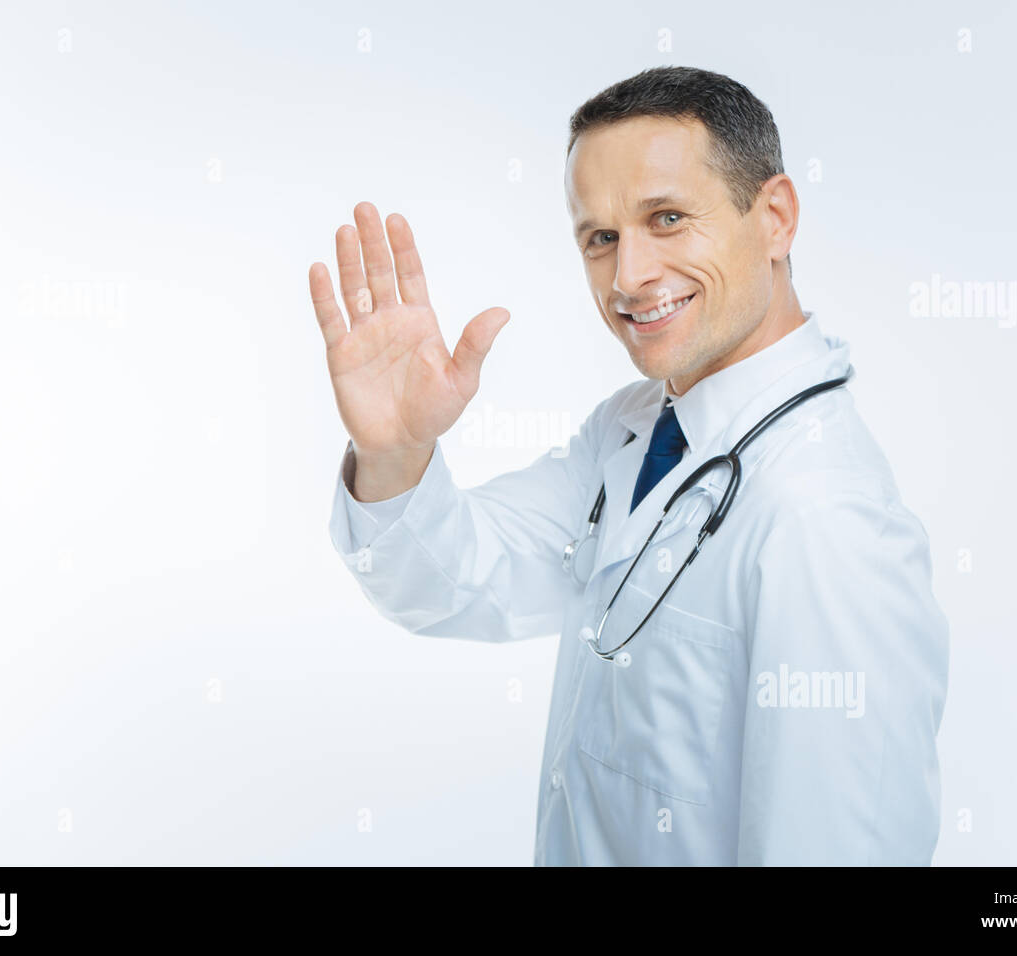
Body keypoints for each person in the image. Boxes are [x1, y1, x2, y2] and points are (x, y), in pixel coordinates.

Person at [309, 65, 949, 865]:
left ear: (776, 217)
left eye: (668, 218)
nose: (628, 277)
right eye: (601, 237)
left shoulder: (825, 520)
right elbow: (450, 585)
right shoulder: (634, 426)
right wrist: (395, 449)